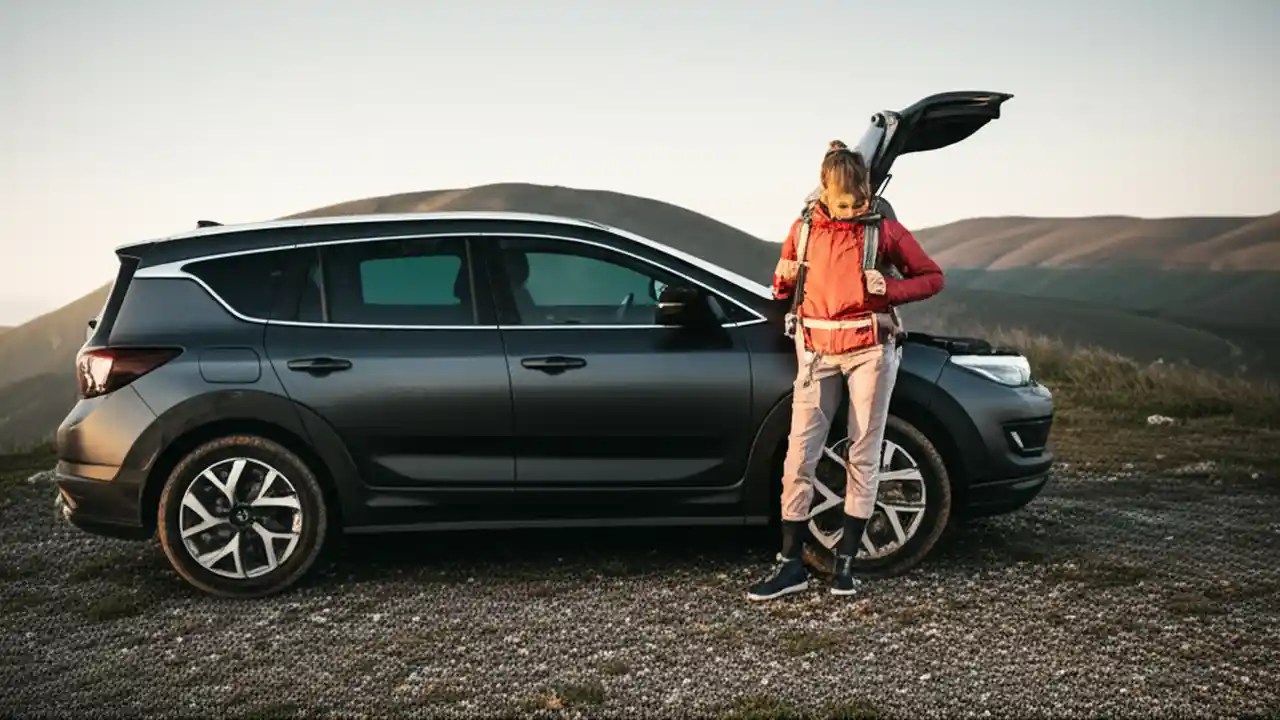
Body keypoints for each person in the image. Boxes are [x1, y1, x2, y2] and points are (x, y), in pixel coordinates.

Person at [747, 140, 945, 601]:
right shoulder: (802, 231)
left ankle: (846, 567)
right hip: (816, 352)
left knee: (864, 451)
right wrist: (784, 277)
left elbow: (934, 277)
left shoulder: (885, 231)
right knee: (800, 455)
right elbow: (781, 289)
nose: (856, 209)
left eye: (861, 201)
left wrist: (893, 288)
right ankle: (790, 564)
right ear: (823, 192)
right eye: (845, 203)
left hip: (870, 352)